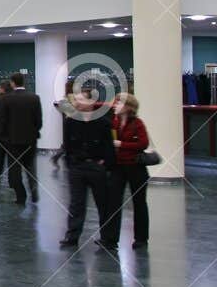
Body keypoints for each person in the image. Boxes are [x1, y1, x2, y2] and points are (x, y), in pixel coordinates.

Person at [59, 87, 114, 248]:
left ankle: (107, 238)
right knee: (76, 203)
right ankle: (72, 236)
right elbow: (67, 145)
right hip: (77, 166)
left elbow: (109, 146)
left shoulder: (103, 122)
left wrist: (105, 164)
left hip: (96, 167)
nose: (77, 103)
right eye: (76, 100)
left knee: (103, 203)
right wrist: (71, 163)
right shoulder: (70, 121)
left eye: (81, 99)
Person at [104, 93, 151, 250]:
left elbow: (143, 144)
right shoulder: (115, 122)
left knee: (139, 203)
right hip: (118, 167)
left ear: (128, 107)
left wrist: (122, 144)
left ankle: (141, 238)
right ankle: (110, 239)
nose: (115, 106)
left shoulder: (138, 123)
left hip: (135, 167)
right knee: (113, 202)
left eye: (119, 103)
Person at [0, 72, 43, 206]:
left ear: (12, 83)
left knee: (15, 170)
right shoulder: (34, 98)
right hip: (30, 140)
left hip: (12, 141)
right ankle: (34, 191)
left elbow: (3, 120)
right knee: (31, 167)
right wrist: (33, 132)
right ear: (23, 82)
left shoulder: (7, 99)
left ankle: (21, 196)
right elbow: (39, 121)